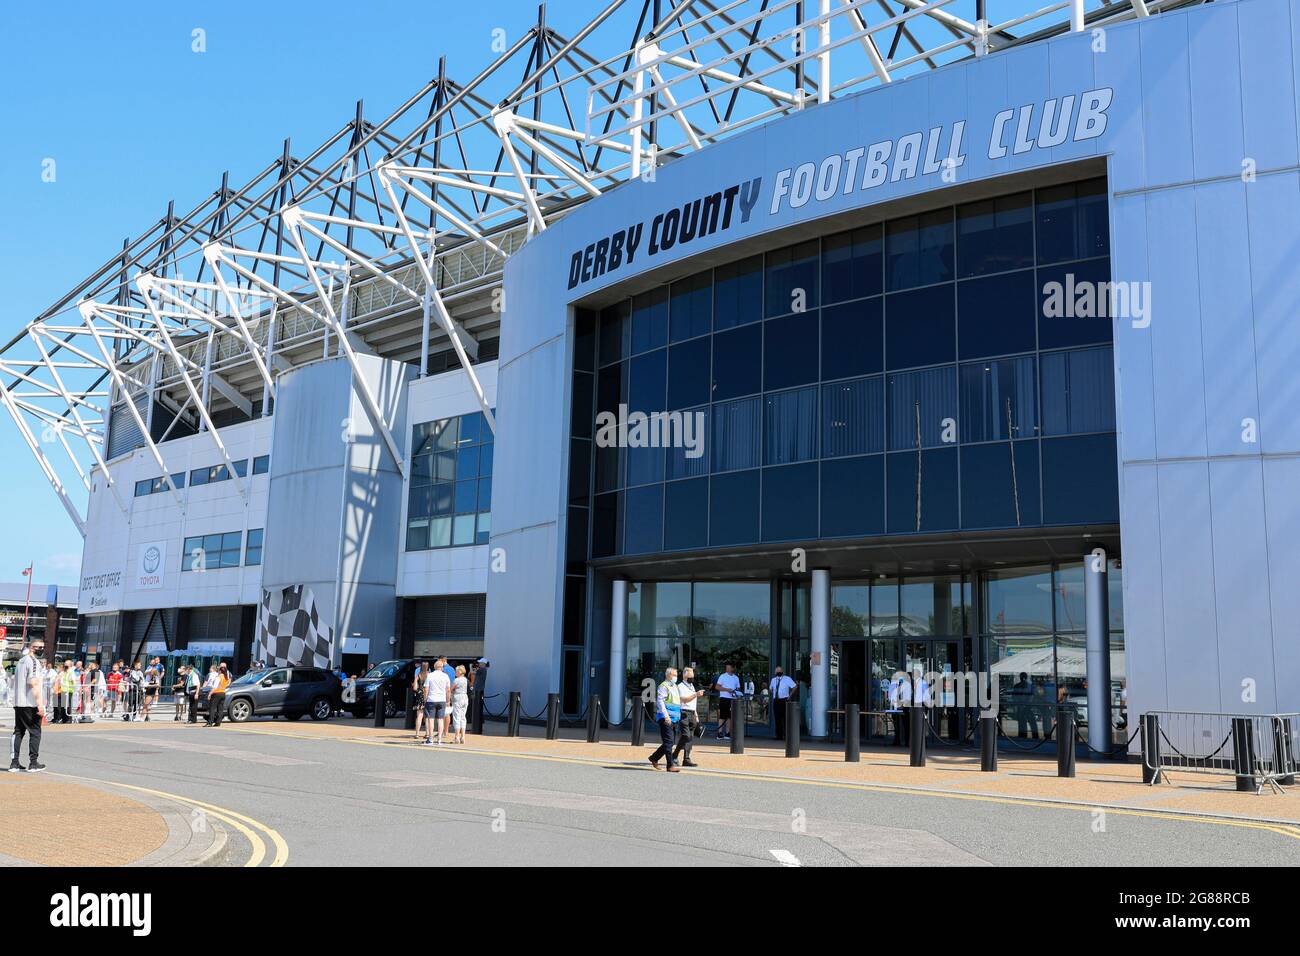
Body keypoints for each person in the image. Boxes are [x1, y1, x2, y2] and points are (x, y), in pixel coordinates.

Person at [9, 640, 47, 773]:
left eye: (42, 647)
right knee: (35, 732)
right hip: (29, 703)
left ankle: (14, 763)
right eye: (39, 647)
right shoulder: (33, 662)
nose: (42, 649)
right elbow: (33, 683)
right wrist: (40, 704)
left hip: (19, 702)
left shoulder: (21, 661)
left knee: (18, 731)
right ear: (32, 648)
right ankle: (33, 763)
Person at [648, 666, 682, 772]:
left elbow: (677, 702)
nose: (676, 677)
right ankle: (670, 765)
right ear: (668, 675)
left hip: (675, 719)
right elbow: (660, 701)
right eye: (674, 675)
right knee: (668, 742)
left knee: (670, 742)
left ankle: (654, 758)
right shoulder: (664, 686)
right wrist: (666, 716)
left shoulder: (675, 686)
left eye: (676, 675)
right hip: (665, 718)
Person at [672, 666, 706, 768]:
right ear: (685, 676)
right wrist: (696, 694)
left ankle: (686, 759)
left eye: (693, 676)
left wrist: (695, 714)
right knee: (686, 735)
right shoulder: (680, 686)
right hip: (684, 713)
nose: (693, 678)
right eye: (691, 676)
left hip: (691, 713)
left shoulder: (691, 686)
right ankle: (674, 755)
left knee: (690, 737)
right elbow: (684, 700)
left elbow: (692, 702)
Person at [422, 659, 451, 746]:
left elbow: (426, 689)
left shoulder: (430, 675)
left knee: (431, 720)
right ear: (442, 667)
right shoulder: (445, 676)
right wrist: (448, 700)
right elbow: (448, 690)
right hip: (442, 700)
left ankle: (430, 739)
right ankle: (439, 739)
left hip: (431, 699)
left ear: (434, 667)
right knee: (440, 720)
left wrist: (425, 699)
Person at [714, 662, 740, 740]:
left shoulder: (736, 678)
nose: (727, 669)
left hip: (733, 699)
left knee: (729, 717)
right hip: (724, 698)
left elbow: (738, 688)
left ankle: (728, 733)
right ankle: (720, 733)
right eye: (726, 668)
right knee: (722, 716)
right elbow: (717, 687)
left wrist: (735, 692)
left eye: (729, 668)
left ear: (732, 668)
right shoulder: (722, 676)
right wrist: (727, 690)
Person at [769, 666, 797, 739]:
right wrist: (775, 693)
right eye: (777, 671)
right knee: (777, 719)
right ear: (775, 672)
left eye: (779, 671)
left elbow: (794, 687)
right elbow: (771, 689)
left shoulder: (787, 679)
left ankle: (787, 736)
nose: (778, 672)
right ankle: (779, 736)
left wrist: (789, 696)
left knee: (785, 718)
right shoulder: (773, 680)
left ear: (782, 671)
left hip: (784, 700)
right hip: (776, 701)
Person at [451, 665, 469, 744]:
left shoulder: (456, 680)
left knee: (456, 717)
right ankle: (463, 737)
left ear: (460, 672)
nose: (455, 672)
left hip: (457, 697)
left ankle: (457, 737)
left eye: (456, 671)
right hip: (465, 697)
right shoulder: (465, 679)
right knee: (463, 717)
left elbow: (451, 689)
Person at [412, 662, 429, 740]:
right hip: (428, 696)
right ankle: (427, 734)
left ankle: (417, 734)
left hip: (419, 696)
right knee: (427, 716)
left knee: (419, 716)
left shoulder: (418, 675)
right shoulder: (429, 675)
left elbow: (415, 688)